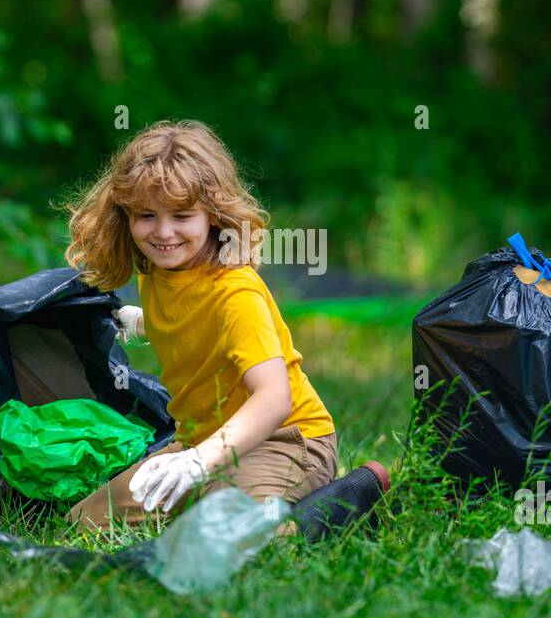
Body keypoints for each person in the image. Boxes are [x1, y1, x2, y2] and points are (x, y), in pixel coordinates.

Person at [61, 119, 341, 529]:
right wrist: (136, 322)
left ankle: (345, 502)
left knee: (224, 530)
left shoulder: (234, 290)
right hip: (201, 441)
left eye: (181, 215)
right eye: (146, 215)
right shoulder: (157, 272)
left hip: (287, 441)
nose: (163, 232)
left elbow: (273, 398)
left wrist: (197, 463)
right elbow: (190, 326)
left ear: (213, 215)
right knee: (84, 522)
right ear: (124, 216)